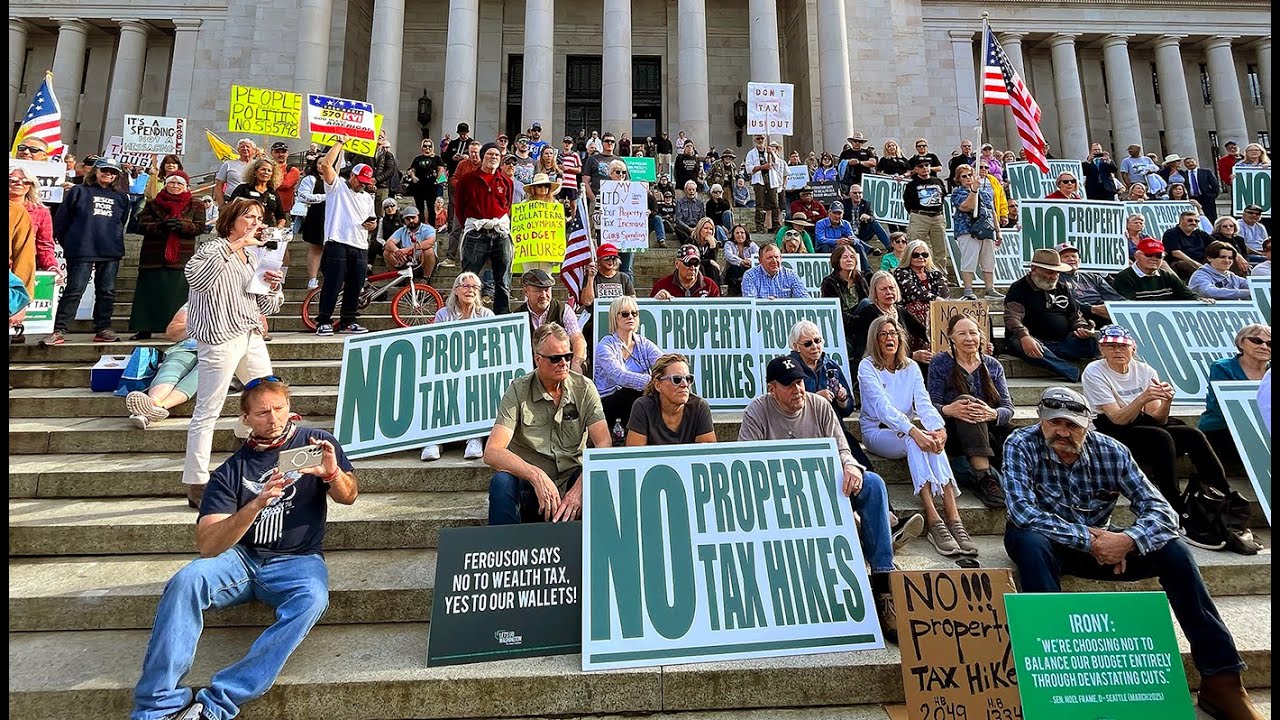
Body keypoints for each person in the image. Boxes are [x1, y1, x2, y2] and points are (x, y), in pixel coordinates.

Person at [1002, 386, 1262, 720]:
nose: (1062, 432)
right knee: (1029, 543)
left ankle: (1222, 681)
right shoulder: (1020, 444)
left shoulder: (1113, 451)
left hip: (1108, 544)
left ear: (1088, 424)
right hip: (1051, 541)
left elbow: (1163, 512)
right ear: (1041, 420)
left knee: (1176, 551)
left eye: (1072, 425)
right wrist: (1091, 541)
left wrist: (1128, 540)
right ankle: (1055, 679)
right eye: (1054, 423)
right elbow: (1023, 511)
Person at [131, 378, 358, 720]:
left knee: (312, 598)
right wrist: (256, 504)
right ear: (246, 418)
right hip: (241, 559)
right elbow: (208, 544)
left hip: (299, 558)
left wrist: (332, 474)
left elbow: (350, 495)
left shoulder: (316, 442)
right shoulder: (231, 471)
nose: (274, 419)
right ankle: (157, 704)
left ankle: (218, 701)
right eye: (263, 413)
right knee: (186, 581)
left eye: (279, 409)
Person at [739, 355, 900, 643]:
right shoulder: (757, 411)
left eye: (800, 382)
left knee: (873, 484)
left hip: (826, 486)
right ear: (771, 388)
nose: (798, 389)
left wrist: (850, 466)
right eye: (789, 385)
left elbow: (843, 449)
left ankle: (883, 583)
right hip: (780, 494)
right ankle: (863, 530)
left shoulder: (820, 405)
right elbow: (746, 462)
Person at [180, 199, 284, 509]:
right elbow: (197, 279)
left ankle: (243, 435)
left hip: (250, 333)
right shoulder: (212, 249)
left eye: (259, 218)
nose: (255, 222)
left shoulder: (253, 256)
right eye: (249, 216)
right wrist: (238, 244)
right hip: (219, 336)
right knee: (208, 409)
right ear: (232, 220)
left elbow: (265, 306)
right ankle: (196, 481)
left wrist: (273, 287)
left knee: (266, 395)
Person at [1082, 325, 1229, 520]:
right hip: (1107, 427)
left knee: (1193, 434)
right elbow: (1117, 418)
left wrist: (1167, 401)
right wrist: (1143, 398)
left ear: (1133, 348)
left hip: (1139, 424)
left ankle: (1224, 495)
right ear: (1102, 349)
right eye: (1111, 346)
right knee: (1160, 437)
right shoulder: (1094, 371)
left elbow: (1157, 419)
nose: (1117, 350)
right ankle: (1172, 502)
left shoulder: (1145, 370)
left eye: (1122, 346)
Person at [859, 315, 974, 557]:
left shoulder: (911, 367)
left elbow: (923, 403)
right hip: (878, 431)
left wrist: (939, 429)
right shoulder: (867, 366)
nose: (889, 338)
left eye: (893, 333)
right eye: (883, 334)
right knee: (916, 440)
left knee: (931, 440)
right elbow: (882, 408)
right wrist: (913, 430)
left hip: (907, 430)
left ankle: (953, 517)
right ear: (874, 340)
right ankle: (933, 519)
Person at [485, 322, 610, 524]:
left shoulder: (585, 388)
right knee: (502, 482)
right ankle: (504, 542)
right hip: (530, 488)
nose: (564, 363)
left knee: (596, 480)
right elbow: (492, 451)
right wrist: (536, 476)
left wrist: (579, 489)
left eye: (568, 356)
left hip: (571, 479)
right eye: (555, 358)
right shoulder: (518, 390)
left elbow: (604, 443)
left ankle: (593, 543)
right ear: (538, 359)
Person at [927, 316, 1012, 508]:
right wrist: (949, 409)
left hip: (989, 430)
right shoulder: (940, 362)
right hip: (955, 432)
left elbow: (1008, 408)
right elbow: (930, 404)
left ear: (980, 336)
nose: (969, 338)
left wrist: (992, 413)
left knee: (1020, 434)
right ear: (952, 338)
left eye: (973, 333)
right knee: (967, 402)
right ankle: (985, 478)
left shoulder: (993, 365)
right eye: (962, 334)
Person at [43, 158, 130, 345]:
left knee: (107, 291)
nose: (108, 174)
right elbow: (61, 221)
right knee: (75, 289)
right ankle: (59, 329)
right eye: (104, 170)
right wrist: (71, 243)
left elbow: (121, 221)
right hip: (82, 248)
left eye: (113, 172)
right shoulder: (78, 191)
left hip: (110, 249)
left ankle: (103, 328)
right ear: (95, 171)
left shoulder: (122, 197)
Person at [419, 272, 494, 462]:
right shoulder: (443, 314)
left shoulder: (486, 315)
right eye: (466, 286)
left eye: (475, 287)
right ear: (456, 290)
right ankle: (434, 439)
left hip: (477, 370)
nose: (471, 290)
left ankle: (475, 437)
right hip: (447, 369)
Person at [129, 172, 204, 341]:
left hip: (180, 257)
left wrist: (182, 225)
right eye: (172, 183)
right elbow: (142, 225)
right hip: (153, 256)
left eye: (179, 183)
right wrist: (161, 226)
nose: (175, 186)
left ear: (186, 186)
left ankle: (177, 328)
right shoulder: (152, 204)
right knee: (148, 294)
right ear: (165, 185)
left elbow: (199, 226)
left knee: (177, 296)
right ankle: (144, 328)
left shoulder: (196, 204)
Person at [1004, 248, 1098, 382]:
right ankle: (1072, 371)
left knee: (1095, 341)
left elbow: (1074, 315)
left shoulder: (1062, 287)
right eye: (1049, 272)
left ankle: (1054, 356)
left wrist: (1082, 328)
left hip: (1062, 341)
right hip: (1033, 339)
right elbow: (1012, 317)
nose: (1054, 277)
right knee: (1019, 343)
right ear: (1034, 269)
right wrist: (1024, 336)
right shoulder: (1018, 288)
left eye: (1057, 273)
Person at [313, 141, 377, 335]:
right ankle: (324, 320)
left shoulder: (367, 197)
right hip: (337, 242)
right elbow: (326, 165)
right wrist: (340, 142)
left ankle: (348, 320)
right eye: (360, 180)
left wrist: (372, 226)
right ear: (352, 176)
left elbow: (372, 220)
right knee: (333, 284)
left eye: (366, 182)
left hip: (360, 244)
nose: (362, 185)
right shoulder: (337, 187)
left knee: (355, 286)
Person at [1200, 324, 1271, 469]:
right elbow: (1222, 408)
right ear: (1241, 343)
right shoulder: (1222, 367)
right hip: (1223, 428)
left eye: (1270, 343)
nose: (1264, 346)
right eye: (1256, 341)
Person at [456, 143, 515, 314]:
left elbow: (507, 206)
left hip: (500, 233)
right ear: (482, 156)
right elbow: (459, 208)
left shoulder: (506, 182)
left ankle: (503, 317)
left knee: (503, 280)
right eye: (490, 154)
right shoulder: (466, 180)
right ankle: (465, 315)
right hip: (476, 232)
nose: (493, 157)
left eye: (497, 155)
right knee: (468, 278)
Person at [595, 295, 662, 436]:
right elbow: (621, 377)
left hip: (636, 399)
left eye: (634, 313)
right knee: (633, 394)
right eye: (625, 314)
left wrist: (673, 377)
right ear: (615, 317)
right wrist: (654, 383)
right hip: (609, 403)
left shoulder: (643, 343)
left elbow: (663, 362)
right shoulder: (605, 345)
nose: (630, 317)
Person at [124, 305, 198, 429]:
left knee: (203, 373)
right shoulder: (196, 301)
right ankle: (153, 402)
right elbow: (172, 332)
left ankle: (156, 407)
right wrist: (201, 325)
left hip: (221, 350)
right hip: (187, 347)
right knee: (171, 367)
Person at [625, 353, 716, 446]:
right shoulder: (643, 407)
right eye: (677, 379)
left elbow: (707, 452)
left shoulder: (699, 407)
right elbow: (635, 452)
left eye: (688, 379)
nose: (685, 384)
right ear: (658, 385)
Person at [950, 164, 1001, 300]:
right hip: (967, 229)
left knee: (989, 260)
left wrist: (998, 231)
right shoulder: (958, 193)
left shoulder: (985, 192)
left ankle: (990, 288)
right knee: (969, 259)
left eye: (970, 175)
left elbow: (992, 212)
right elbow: (967, 206)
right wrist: (973, 191)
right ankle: (968, 289)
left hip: (986, 229)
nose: (968, 178)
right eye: (964, 176)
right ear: (959, 179)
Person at [892, 239, 949, 357]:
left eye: (924, 254)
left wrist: (934, 301)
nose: (921, 257)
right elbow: (913, 293)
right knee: (919, 308)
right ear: (909, 256)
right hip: (910, 313)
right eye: (916, 255)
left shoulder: (936, 273)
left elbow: (944, 294)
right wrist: (934, 299)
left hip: (936, 310)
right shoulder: (901, 272)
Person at [1057, 242, 1124, 327]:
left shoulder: (1094, 278)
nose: (1071, 259)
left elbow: (1116, 298)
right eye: (1066, 256)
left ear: (1079, 260)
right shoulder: (1055, 279)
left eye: (1074, 256)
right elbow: (1064, 303)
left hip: (1105, 312)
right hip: (1080, 316)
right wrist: (1092, 309)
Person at [1112, 238, 1200, 302]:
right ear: (1137, 256)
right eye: (1149, 255)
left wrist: (1201, 301)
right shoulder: (1123, 278)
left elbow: (1189, 295)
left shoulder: (1167, 276)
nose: (1154, 259)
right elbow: (1129, 307)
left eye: (1158, 256)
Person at [904, 156, 949, 274]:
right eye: (921, 166)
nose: (925, 168)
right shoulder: (911, 185)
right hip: (919, 216)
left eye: (927, 165)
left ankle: (940, 274)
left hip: (937, 217)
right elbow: (907, 202)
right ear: (916, 169)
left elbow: (943, 196)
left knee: (940, 248)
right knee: (914, 246)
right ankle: (914, 274)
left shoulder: (938, 181)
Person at [821, 245, 870, 342]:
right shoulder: (829, 282)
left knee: (867, 302)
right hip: (842, 321)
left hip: (860, 318)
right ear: (837, 260)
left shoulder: (859, 277)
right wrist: (861, 320)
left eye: (852, 257)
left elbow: (868, 301)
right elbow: (834, 312)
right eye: (845, 257)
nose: (849, 260)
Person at [292, 162, 327, 290]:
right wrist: (324, 197)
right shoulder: (310, 179)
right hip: (317, 215)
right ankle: (312, 279)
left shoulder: (338, 180)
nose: (322, 165)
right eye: (320, 162)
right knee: (316, 247)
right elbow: (303, 196)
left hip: (334, 217)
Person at [227, 159, 287, 229]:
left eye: (269, 170)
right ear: (254, 172)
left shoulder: (273, 193)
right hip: (246, 229)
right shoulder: (243, 189)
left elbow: (281, 216)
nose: (266, 172)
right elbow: (231, 210)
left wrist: (278, 228)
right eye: (263, 169)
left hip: (267, 231)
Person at [381, 205, 437, 278]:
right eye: (407, 219)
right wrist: (397, 251)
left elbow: (430, 242)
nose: (411, 221)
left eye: (413, 218)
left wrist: (408, 249)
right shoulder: (401, 230)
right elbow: (388, 243)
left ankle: (426, 277)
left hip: (424, 262)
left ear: (419, 217)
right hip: (407, 261)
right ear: (404, 220)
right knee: (387, 253)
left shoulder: (428, 228)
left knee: (428, 251)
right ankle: (399, 278)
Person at [741, 242, 809, 299]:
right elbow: (750, 302)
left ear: (781, 258)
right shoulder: (750, 276)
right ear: (760, 260)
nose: (774, 261)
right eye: (769, 258)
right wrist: (767, 303)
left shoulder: (791, 275)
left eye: (776, 257)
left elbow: (805, 299)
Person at [651, 244, 721, 298]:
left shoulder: (710, 286)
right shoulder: (662, 285)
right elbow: (650, 309)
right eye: (688, 263)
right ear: (677, 264)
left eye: (696, 264)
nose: (692, 268)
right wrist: (657, 300)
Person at [745, 136, 784, 232]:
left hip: (771, 179)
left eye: (762, 139)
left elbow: (778, 165)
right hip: (759, 180)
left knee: (774, 203)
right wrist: (762, 167)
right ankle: (760, 226)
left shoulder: (770, 152)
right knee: (760, 204)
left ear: (764, 140)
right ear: (755, 140)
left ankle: (776, 225)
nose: (760, 141)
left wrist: (772, 153)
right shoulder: (751, 153)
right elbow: (749, 169)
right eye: (758, 139)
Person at [8, 167, 36, 299]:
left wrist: (22, 297)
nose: (19, 184)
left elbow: (24, 256)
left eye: (25, 181)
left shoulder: (17, 212)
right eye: (13, 180)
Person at [1161, 210, 1214, 279]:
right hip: (1181, 262)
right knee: (1184, 264)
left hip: (1201, 260)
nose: (1193, 223)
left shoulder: (1200, 233)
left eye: (1196, 221)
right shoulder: (1171, 233)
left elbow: (1216, 244)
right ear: (1181, 221)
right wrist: (1197, 265)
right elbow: (1176, 253)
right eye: (1190, 220)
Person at [846, 184, 891, 253]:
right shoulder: (844, 204)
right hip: (848, 233)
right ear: (850, 194)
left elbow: (873, 218)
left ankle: (890, 247)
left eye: (860, 193)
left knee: (874, 223)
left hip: (861, 232)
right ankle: (870, 250)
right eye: (855, 193)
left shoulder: (866, 203)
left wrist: (868, 217)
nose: (858, 195)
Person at [214, 138, 255, 206]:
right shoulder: (228, 164)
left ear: (254, 150)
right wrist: (221, 204)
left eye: (247, 146)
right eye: (242, 147)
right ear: (238, 150)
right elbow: (218, 186)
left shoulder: (258, 165)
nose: (245, 148)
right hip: (231, 201)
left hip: (252, 202)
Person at [722, 224, 757, 296]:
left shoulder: (752, 245)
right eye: (737, 233)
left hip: (749, 270)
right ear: (733, 235)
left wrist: (749, 260)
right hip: (732, 273)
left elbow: (758, 255)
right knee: (736, 268)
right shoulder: (729, 244)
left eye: (742, 232)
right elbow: (728, 255)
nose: (740, 235)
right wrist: (741, 261)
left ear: (746, 234)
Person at [689, 217, 723, 285]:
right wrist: (709, 261)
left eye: (711, 229)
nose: (709, 231)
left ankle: (714, 290)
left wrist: (712, 246)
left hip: (706, 268)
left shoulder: (713, 243)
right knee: (700, 267)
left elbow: (713, 260)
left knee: (713, 269)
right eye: (706, 228)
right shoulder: (691, 242)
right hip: (692, 266)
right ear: (699, 229)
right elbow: (693, 260)